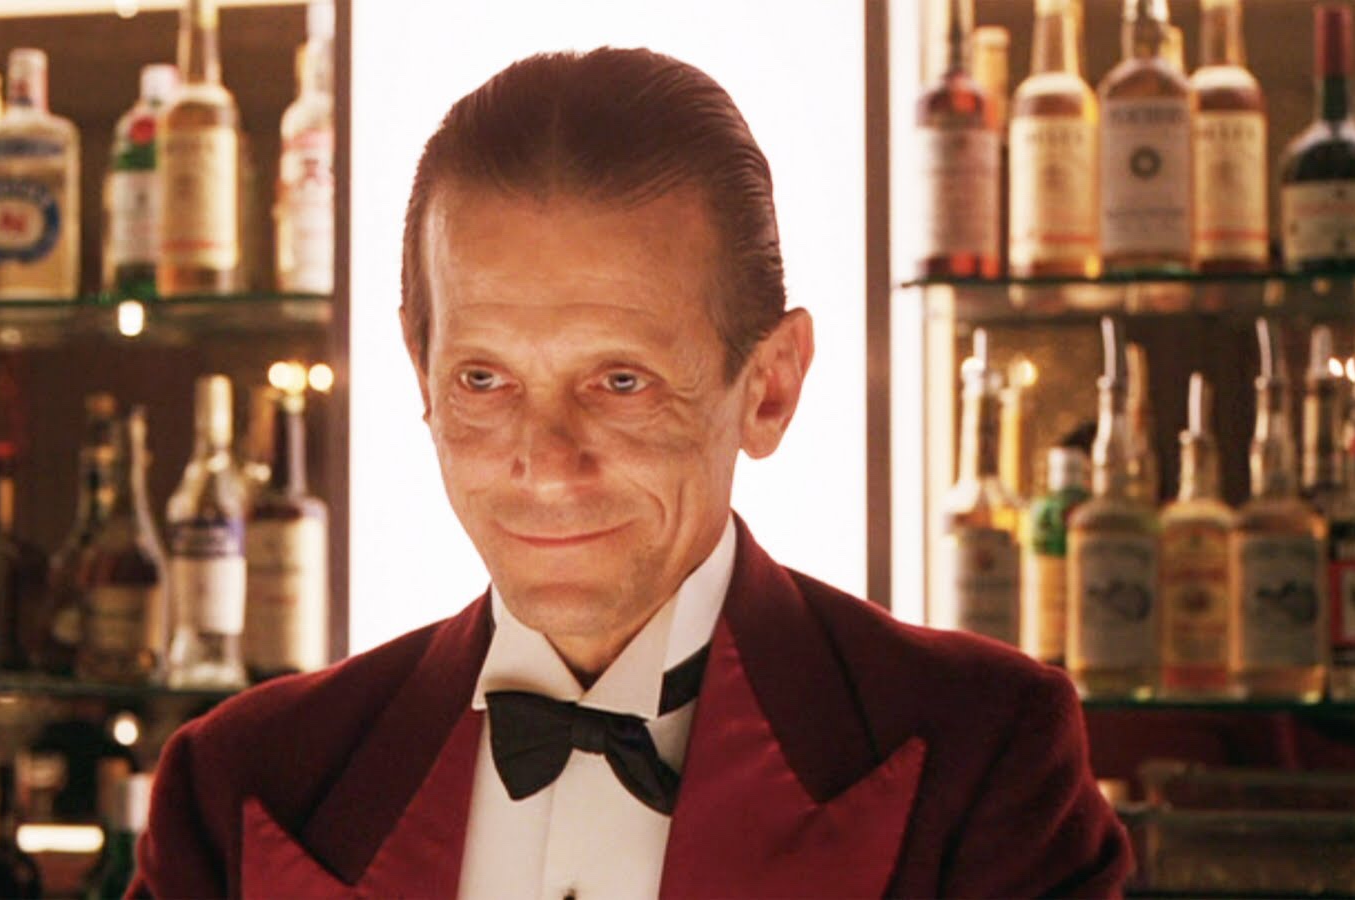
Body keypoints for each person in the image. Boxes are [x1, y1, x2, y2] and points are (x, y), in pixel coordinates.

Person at [130, 47, 1131, 898]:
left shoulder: (982, 753)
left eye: (619, 381)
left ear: (769, 388)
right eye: (483, 378)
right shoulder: (241, 782)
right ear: (419, 374)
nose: (544, 464)